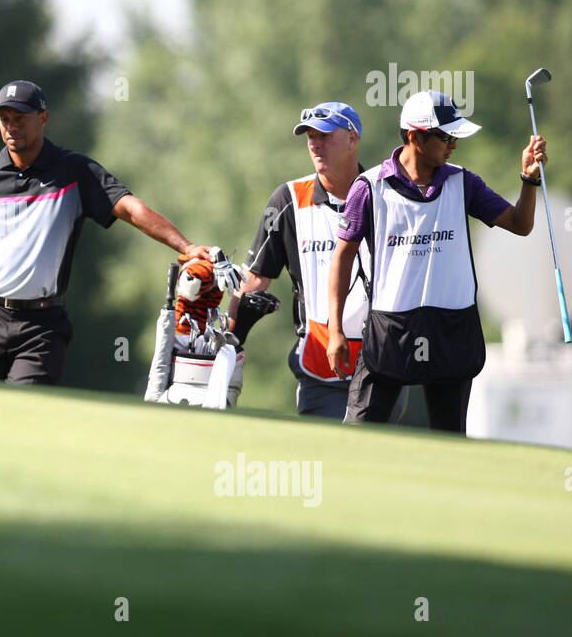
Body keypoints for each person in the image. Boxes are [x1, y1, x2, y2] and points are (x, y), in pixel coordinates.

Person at [0, 80, 211, 385]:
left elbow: (129, 209)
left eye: (20, 118)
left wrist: (186, 246)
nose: (11, 127)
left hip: (41, 327)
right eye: (5, 120)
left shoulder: (74, 172)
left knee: (25, 411)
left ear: (43, 118)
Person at [326, 90, 548, 433]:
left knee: (449, 439)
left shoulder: (464, 182)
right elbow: (342, 258)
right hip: (390, 330)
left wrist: (529, 179)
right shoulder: (368, 187)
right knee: (358, 433)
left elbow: (520, 224)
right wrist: (336, 329)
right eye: (445, 136)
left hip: (451, 328)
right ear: (415, 136)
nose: (453, 144)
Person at [226, 102, 376, 418]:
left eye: (324, 134)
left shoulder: (384, 193)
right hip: (320, 365)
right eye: (309, 136)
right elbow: (255, 279)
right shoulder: (288, 199)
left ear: (352, 139)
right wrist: (227, 343)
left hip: (380, 363)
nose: (315, 144)